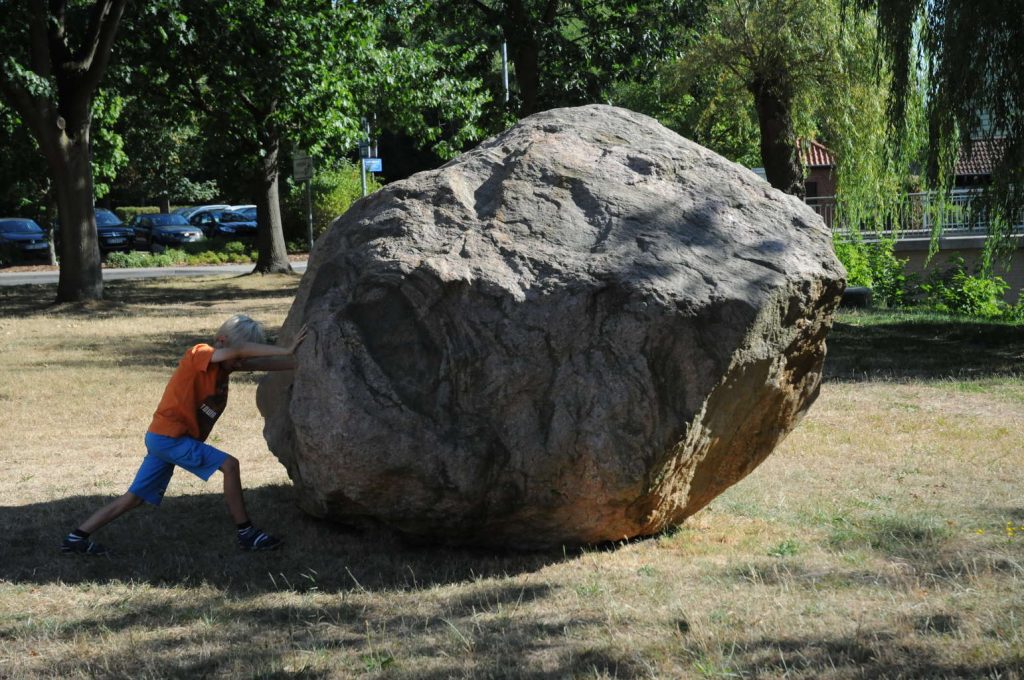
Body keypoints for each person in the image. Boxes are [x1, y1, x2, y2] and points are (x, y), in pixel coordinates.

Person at [61, 314, 307, 556]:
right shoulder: (198, 354)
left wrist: (301, 362)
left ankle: (76, 538)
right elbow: (240, 350)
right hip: (170, 438)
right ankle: (247, 533)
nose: (241, 364)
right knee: (230, 466)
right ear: (222, 342)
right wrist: (286, 349)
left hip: (163, 439)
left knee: (133, 499)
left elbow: (264, 362)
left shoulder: (225, 367)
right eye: (239, 358)